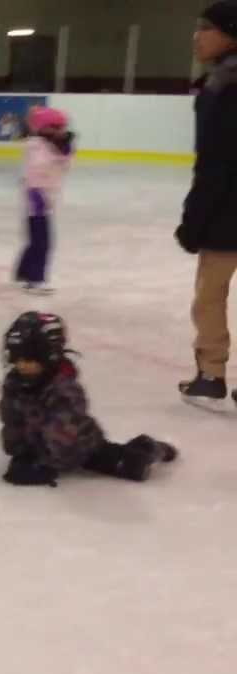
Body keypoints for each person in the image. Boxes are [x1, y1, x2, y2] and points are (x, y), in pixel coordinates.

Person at [0, 312, 178, 487]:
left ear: (49, 356)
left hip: (83, 447)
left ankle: (150, 448)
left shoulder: (64, 390)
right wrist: (19, 452)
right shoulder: (15, 383)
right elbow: (11, 418)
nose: (22, 365)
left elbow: (62, 436)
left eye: (29, 359)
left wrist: (45, 464)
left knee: (133, 466)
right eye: (17, 358)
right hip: (43, 444)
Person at [178, 0, 237, 410]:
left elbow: (216, 164)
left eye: (206, 28)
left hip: (226, 218)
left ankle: (212, 373)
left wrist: (193, 221)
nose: (197, 37)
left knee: (209, 297)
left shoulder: (222, 87)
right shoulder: (219, 82)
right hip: (226, 214)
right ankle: (211, 373)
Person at [15, 106, 74, 295]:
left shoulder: (50, 144)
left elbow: (64, 164)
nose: (60, 130)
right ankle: (35, 280)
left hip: (46, 197)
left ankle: (23, 273)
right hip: (38, 197)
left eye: (61, 127)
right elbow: (39, 169)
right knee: (42, 241)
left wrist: (64, 147)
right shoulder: (37, 146)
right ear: (43, 128)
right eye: (56, 127)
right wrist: (37, 198)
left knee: (36, 239)